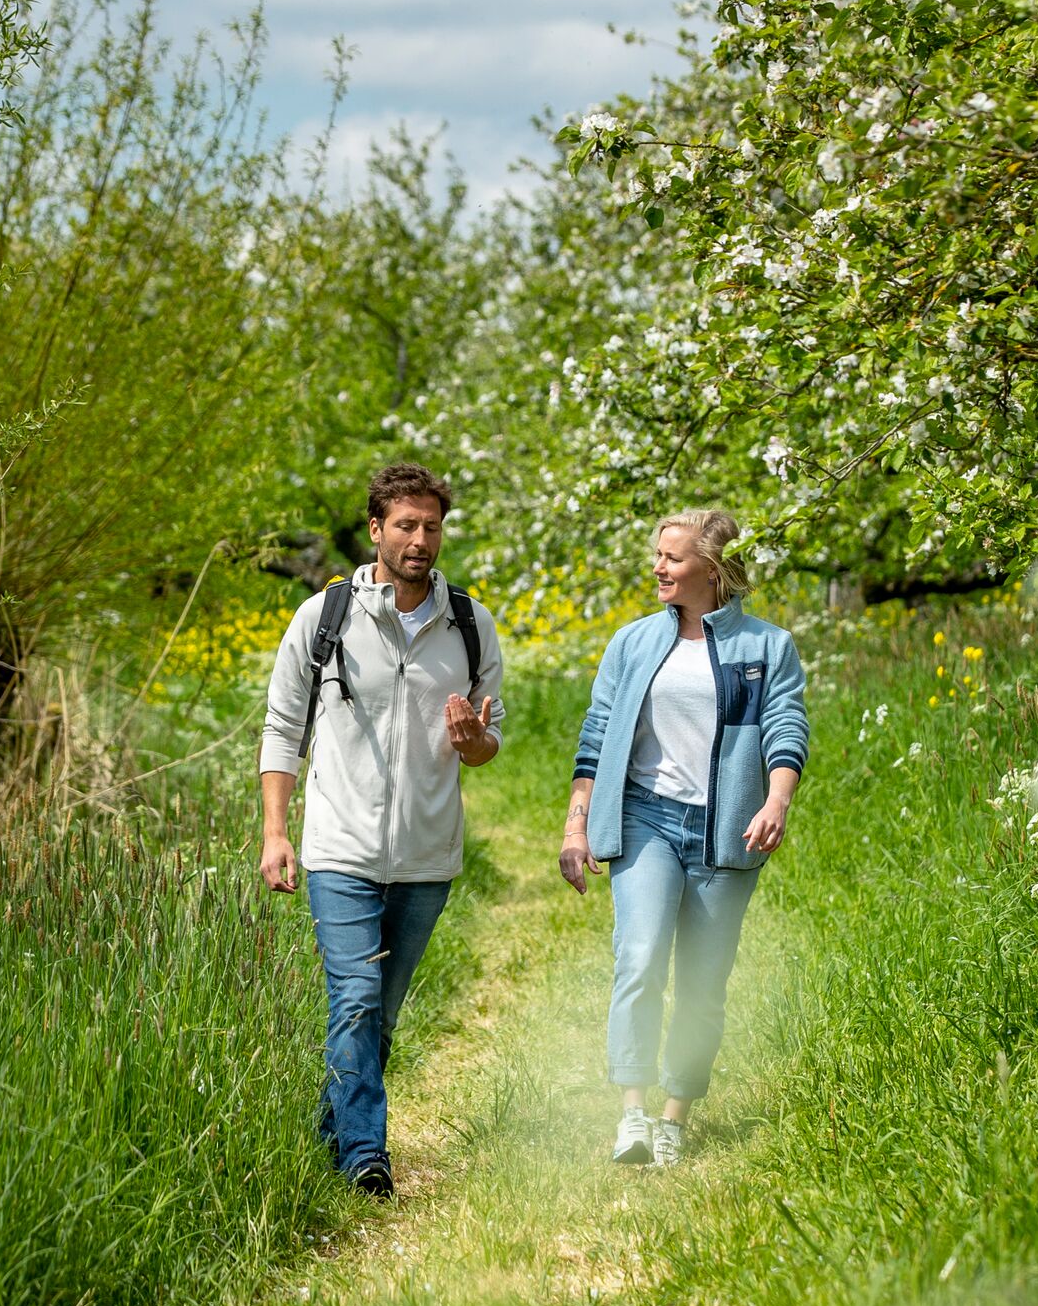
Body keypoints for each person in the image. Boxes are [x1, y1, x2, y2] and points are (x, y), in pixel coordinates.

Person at [260, 463, 505, 1198]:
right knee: (357, 997)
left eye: (431, 525)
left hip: (427, 855)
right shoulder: (324, 617)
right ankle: (368, 1157)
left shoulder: (467, 623)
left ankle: (333, 1134)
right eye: (405, 524)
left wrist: (472, 744)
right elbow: (281, 730)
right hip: (340, 847)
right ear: (376, 529)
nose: (420, 539)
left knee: (381, 1014)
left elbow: (494, 740)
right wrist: (276, 833)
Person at [558, 509, 807, 1167]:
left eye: (673, 557)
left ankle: (675, 1114)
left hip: (727, 833)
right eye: (658, 554)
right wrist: (576, 824)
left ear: (713, 569)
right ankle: (632, 1113)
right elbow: (597, 735)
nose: (659, 566)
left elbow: (787, 730)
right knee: (639, 955)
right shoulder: (633, 642)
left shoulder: (767, 648)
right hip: (646, 817)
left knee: (702, 981)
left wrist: (777, 799)